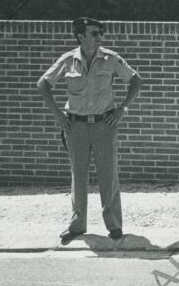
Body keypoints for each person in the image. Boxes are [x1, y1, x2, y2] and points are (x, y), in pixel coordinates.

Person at [38, 17, 142, 244]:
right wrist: (58, 114)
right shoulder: (68, 60)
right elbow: (43, 84)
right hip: (76, 126)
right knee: (78, 175)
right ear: (81, 36)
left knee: (108, 174)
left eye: (100, 33)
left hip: (104, 125)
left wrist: (122, 108)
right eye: (94, 33)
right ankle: (77, 225)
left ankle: (114, 225)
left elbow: (135, 80)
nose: (99, 37)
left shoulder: (111, 58)